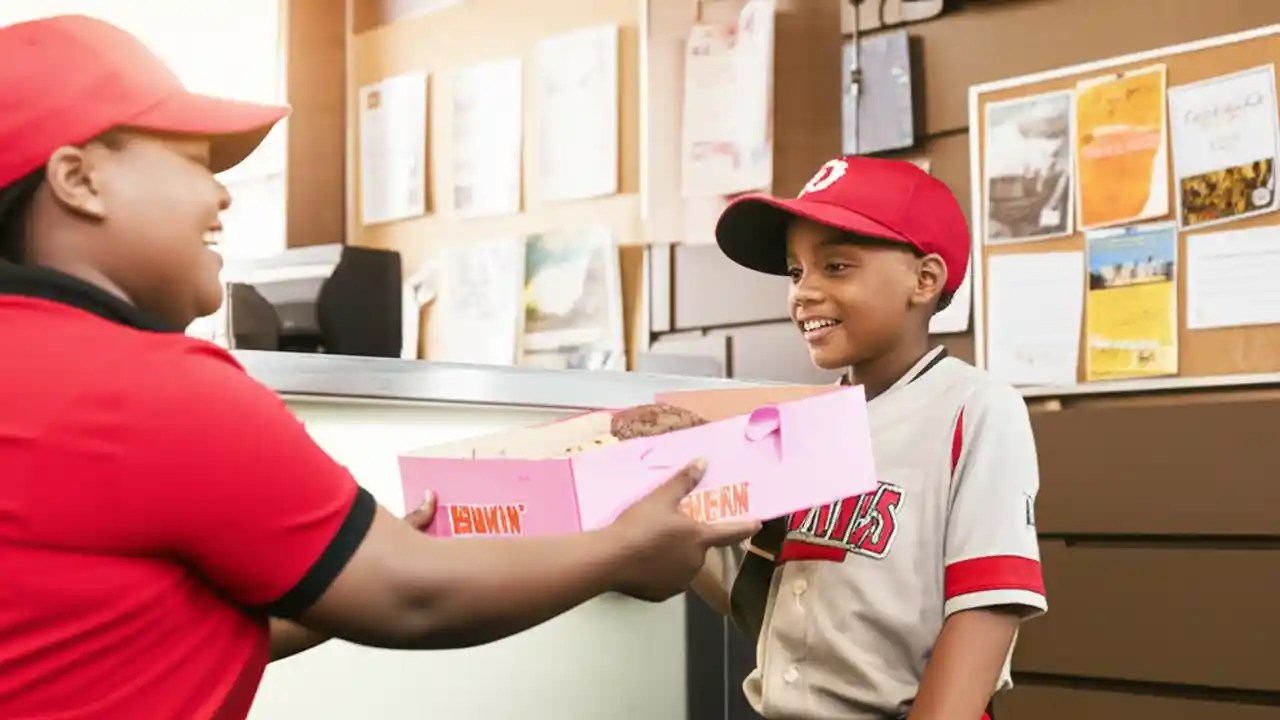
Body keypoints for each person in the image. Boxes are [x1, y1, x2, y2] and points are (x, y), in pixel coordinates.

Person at [0, 15, 759, 719]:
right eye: (195, 161)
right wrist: (626, 547)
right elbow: (413, 598)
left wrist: (337, 571)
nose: (221, 192)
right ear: (79, 179)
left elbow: (137, 637)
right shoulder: (156, 390)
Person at [697, 156, 1048, 720]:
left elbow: (987, 609)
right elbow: (758, 599)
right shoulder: (799, 421)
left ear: (924, 280)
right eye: (795, 272)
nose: (803, 292)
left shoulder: (976, 408)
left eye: (835, 266)